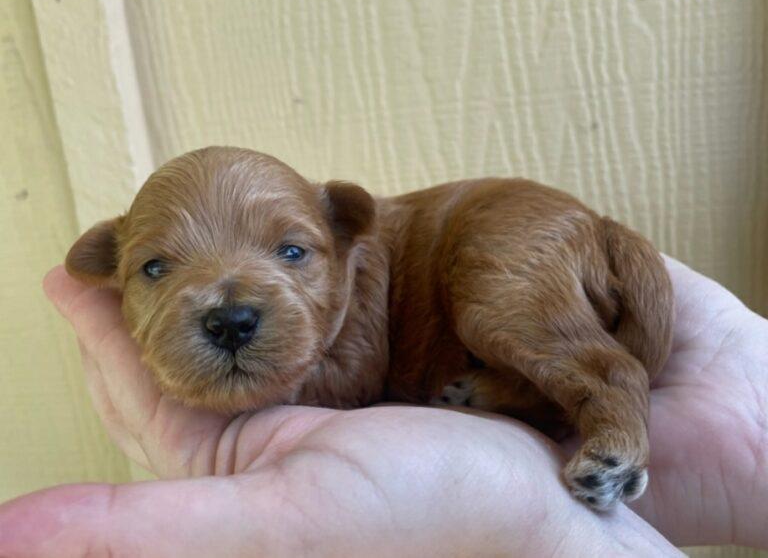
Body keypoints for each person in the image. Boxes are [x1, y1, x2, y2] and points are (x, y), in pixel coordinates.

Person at [0, 257, 765, 556]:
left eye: (292, 253)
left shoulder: (376, 274)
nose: (227, 307)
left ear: (342, 231)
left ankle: (614, 420)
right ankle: (528, 395)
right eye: (159, 267)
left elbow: (358, 369)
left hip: (496, 241)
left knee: (503, 311)